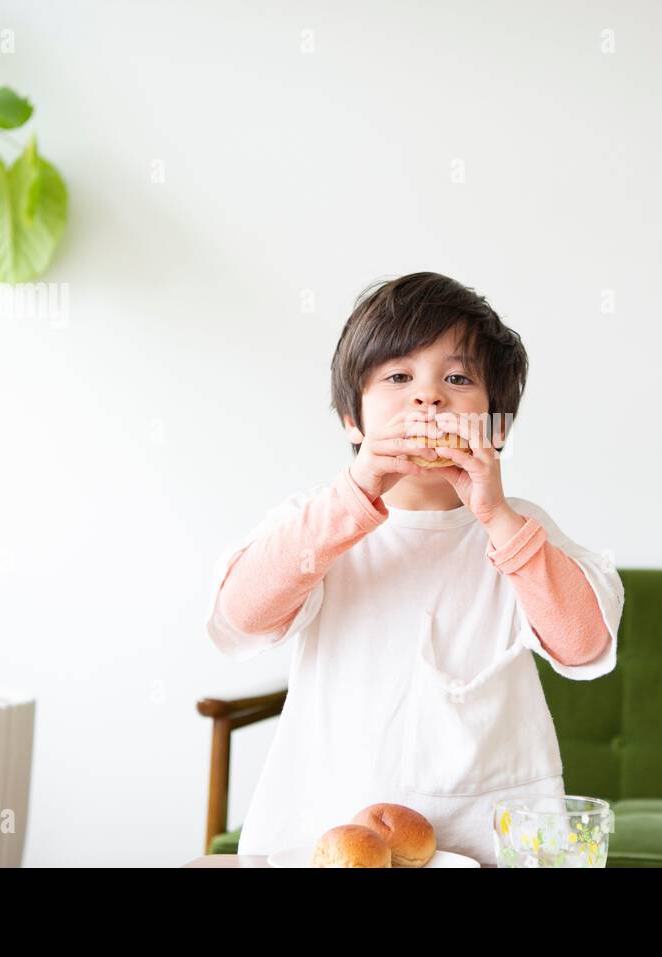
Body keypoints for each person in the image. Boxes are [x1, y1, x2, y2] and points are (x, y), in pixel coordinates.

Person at [205, 271, 624, 864]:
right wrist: (354, 497)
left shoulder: (520, 528)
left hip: (487, 840)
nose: (428, 397)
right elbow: (240, 617)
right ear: (353, 420)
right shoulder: (317, 520)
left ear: (496, 427)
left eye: (457, 378)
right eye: (399, 377)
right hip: (328, 834)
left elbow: (583, 645)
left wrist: (497, 516)